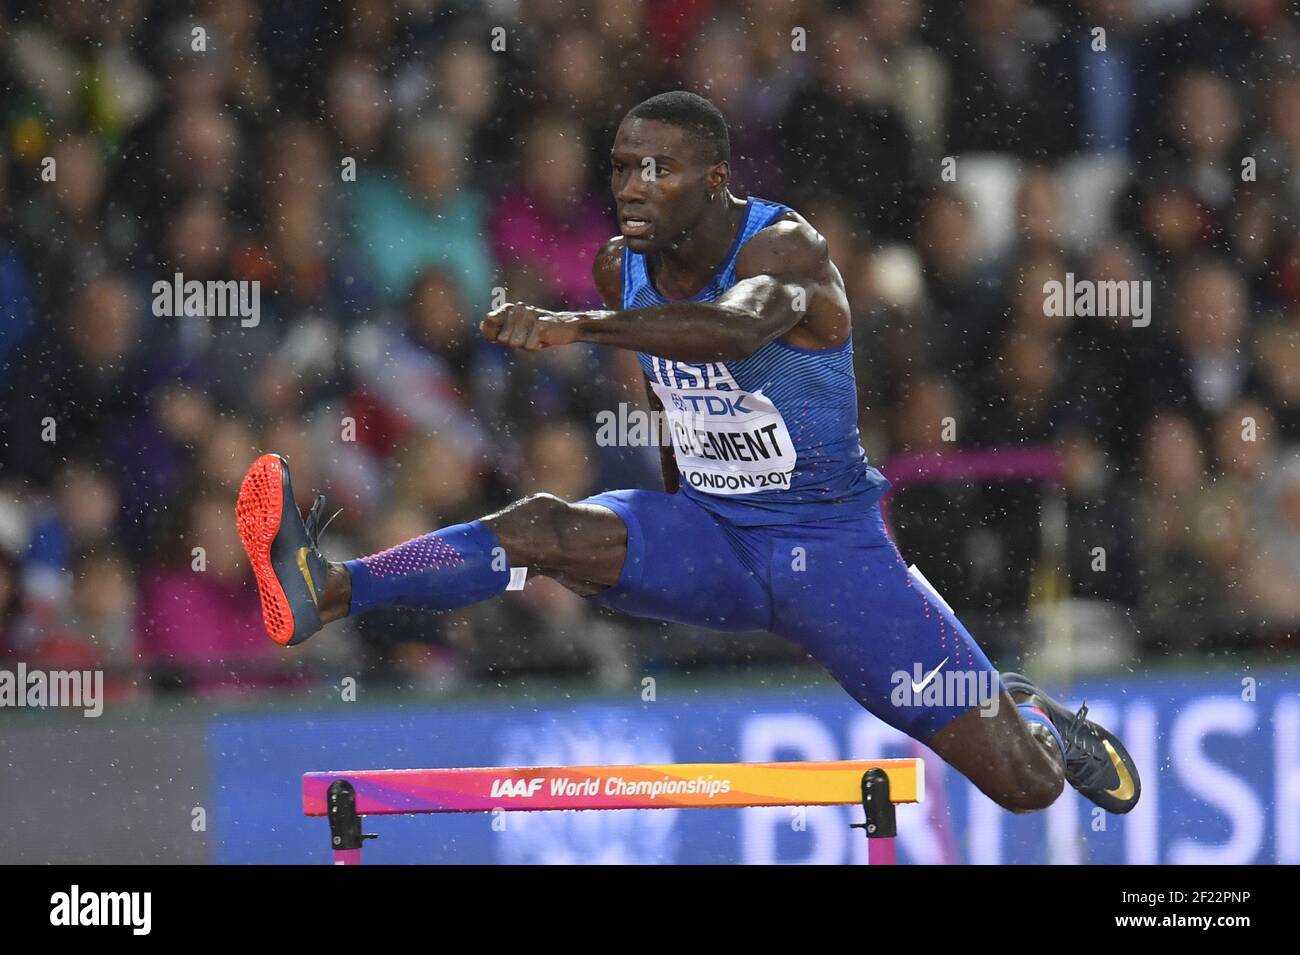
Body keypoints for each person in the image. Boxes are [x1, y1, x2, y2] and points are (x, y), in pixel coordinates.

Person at [236, 91, 1139, 817]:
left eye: (656, 170)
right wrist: (670, 509)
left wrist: (574, 327)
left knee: (1024, 790)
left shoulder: (788, 246)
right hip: (710, 533)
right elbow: (677, 398)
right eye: (622, 167)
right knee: (544, 526)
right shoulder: (615, 265)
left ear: (713, 180)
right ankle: (331, 588)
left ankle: (1029, 717)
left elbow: (735, 332)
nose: (630, 186)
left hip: (831, 554)